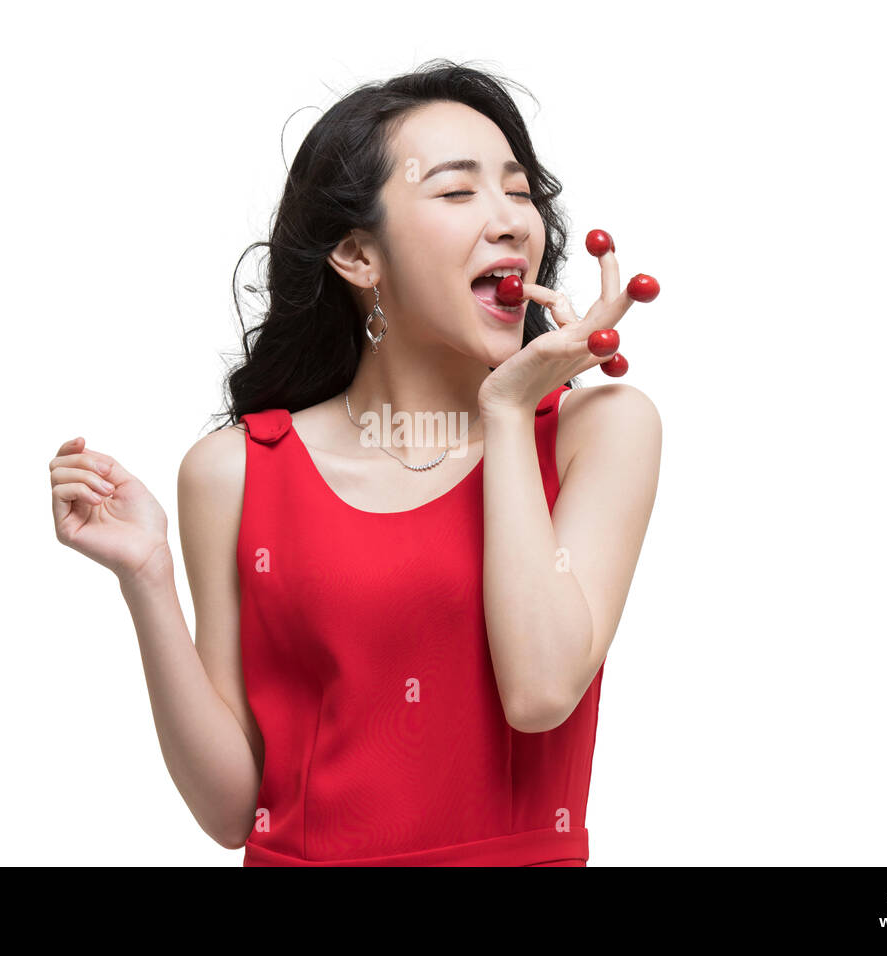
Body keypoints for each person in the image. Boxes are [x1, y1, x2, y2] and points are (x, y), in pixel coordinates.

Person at [48, 60, 662, 865]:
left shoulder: (598, 428)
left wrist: (506, 413)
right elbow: (234, 808)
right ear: (357, 256)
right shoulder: (235, 471)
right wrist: (147, 577)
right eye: (455, 191)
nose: (511, 220)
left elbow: (541, 691)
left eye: (519, 191)